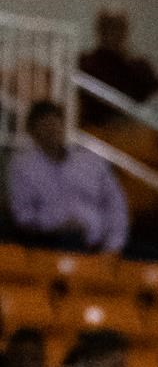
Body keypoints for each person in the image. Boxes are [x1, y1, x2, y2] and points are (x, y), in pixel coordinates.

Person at [7, 100, 128, 253]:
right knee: (70, 239)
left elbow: (115, 203)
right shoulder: (23, 167)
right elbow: (23, 215)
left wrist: (113, 244)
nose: (51, 130)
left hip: (100, 245)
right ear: (32, 132)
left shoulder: (90, 161)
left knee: (149, 255)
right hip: (51, 242)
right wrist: (56, 227)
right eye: (44, 126)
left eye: (54, 123)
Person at [77, 9, 158, 106]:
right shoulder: (84, 64)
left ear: (125, 31)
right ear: (99, 30)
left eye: (117, 27)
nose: (112, 33)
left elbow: (155, 101)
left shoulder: (141, 69)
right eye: (107, 27)